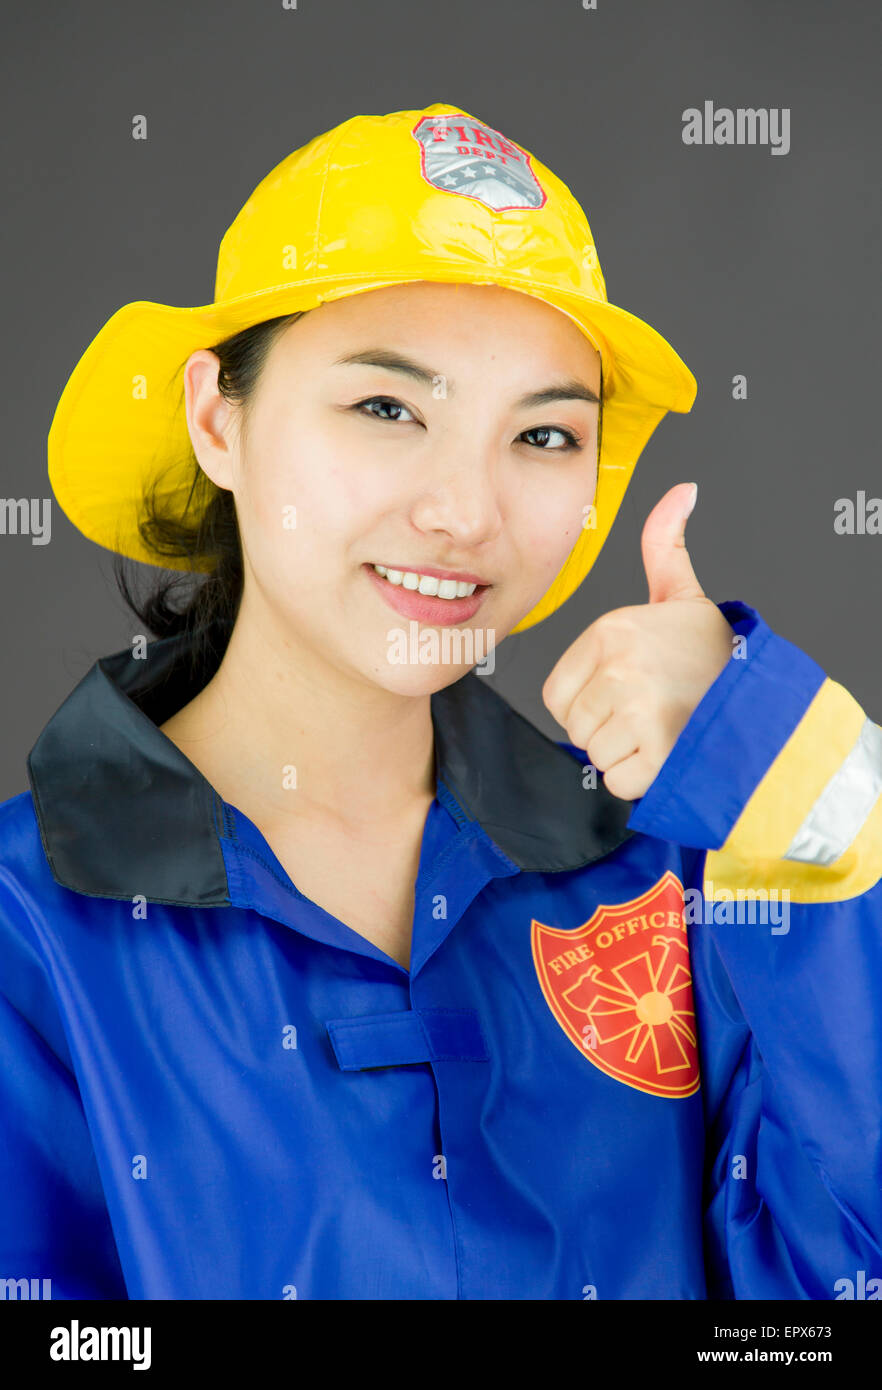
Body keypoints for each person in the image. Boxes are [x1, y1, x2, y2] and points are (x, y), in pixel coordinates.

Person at [1, 102, 880, 1301]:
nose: (467, 510)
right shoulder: (27, 932)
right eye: (387, 408)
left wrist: (784, 761)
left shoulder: (676, 877)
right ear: (218, 418)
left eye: (545, 434)